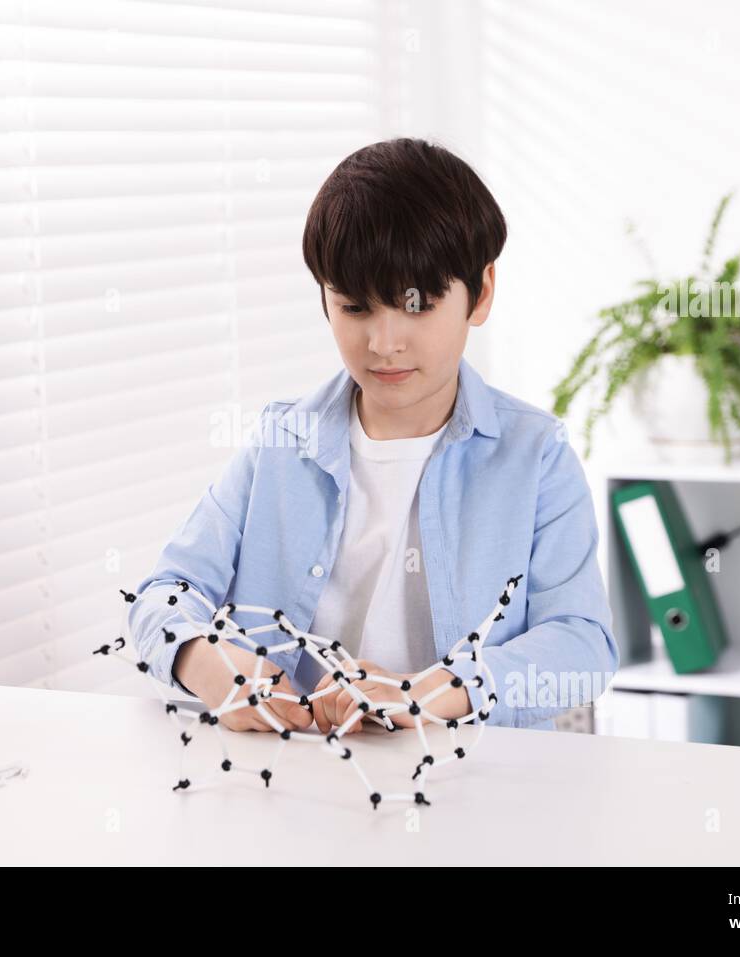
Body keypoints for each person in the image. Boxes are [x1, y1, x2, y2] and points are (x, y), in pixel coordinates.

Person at [127, 137, 617, 734]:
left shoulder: (535, 455)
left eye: (417, 305)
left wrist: (438, 691)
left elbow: (582, 642)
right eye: (355, 307)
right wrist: (212, 668)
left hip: (468, 788)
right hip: (299, 774)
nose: (383, 343)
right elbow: (166, 594)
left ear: (480, 293)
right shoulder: (279, 444)